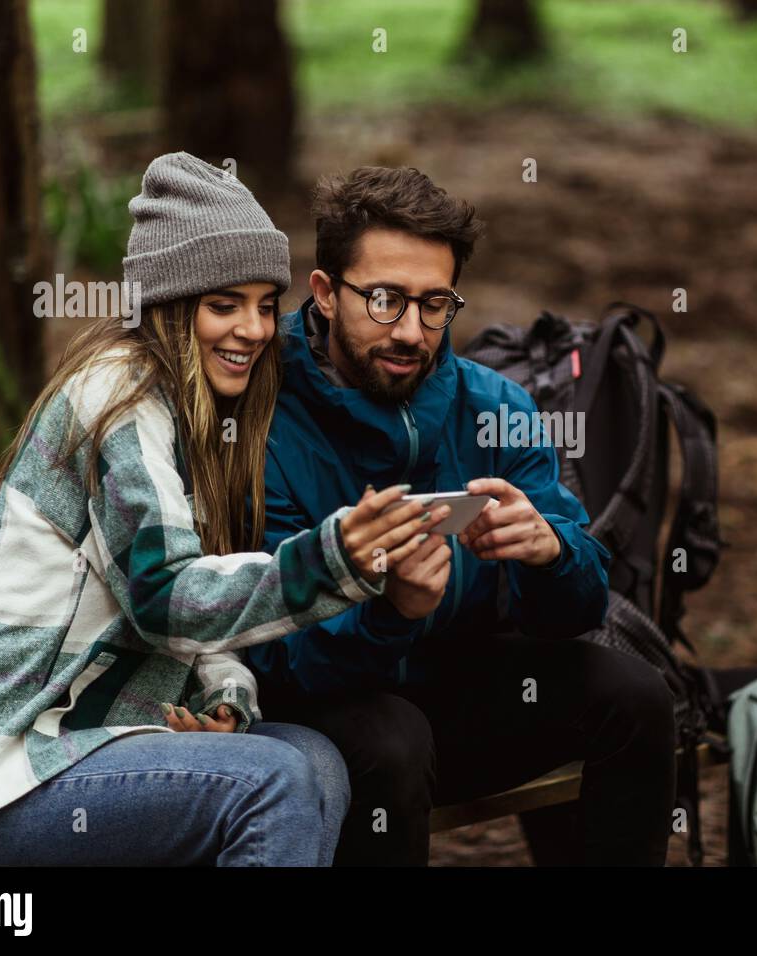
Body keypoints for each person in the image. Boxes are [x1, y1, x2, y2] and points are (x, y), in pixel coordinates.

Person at [0, 152, 442, 867]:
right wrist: (333, 559)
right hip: (9, 780)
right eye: (223, 304)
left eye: (264, 304)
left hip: (107, 745)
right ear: (166, 306)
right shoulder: (118, 399)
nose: (255, 330)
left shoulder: (200, 416)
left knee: (316, 760)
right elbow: (167, 598)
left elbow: (197, 623)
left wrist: (227, 699)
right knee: (274, 783)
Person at [248, 166, 677, 865]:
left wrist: (551, 556)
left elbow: (578, 607)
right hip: (320, 706)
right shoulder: (261, 415)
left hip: (458, 691)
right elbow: (270, 649)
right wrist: (390, 612)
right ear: (324, 294)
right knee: (391, 741)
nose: (411, 332)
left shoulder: (498, 408)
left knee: (632, 697)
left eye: (436, 303)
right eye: (384, 300)